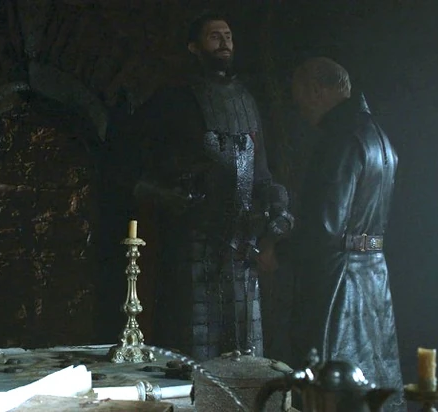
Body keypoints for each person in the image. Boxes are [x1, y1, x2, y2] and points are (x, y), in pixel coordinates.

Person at [133, 11, 293, 361]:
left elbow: (261, 173)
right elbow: (138, 169)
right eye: (214, 36)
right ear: (194, 47)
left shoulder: (247, 100)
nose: (224, 42)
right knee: (193, 348)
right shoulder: (174, 100)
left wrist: (277, 208)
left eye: (228, 36)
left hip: (241, 248)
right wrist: (168, 195)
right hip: (193, 241)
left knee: (244, 353)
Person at [289, 56, 405, 410]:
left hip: (341, 283)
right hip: (373, 278)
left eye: (299, 97)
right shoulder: (378, 135)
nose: (300, 109)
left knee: (331, 390)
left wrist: (278, 252)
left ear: (315, 90)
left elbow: (325, 224)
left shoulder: (340, 136)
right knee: (374, 384)